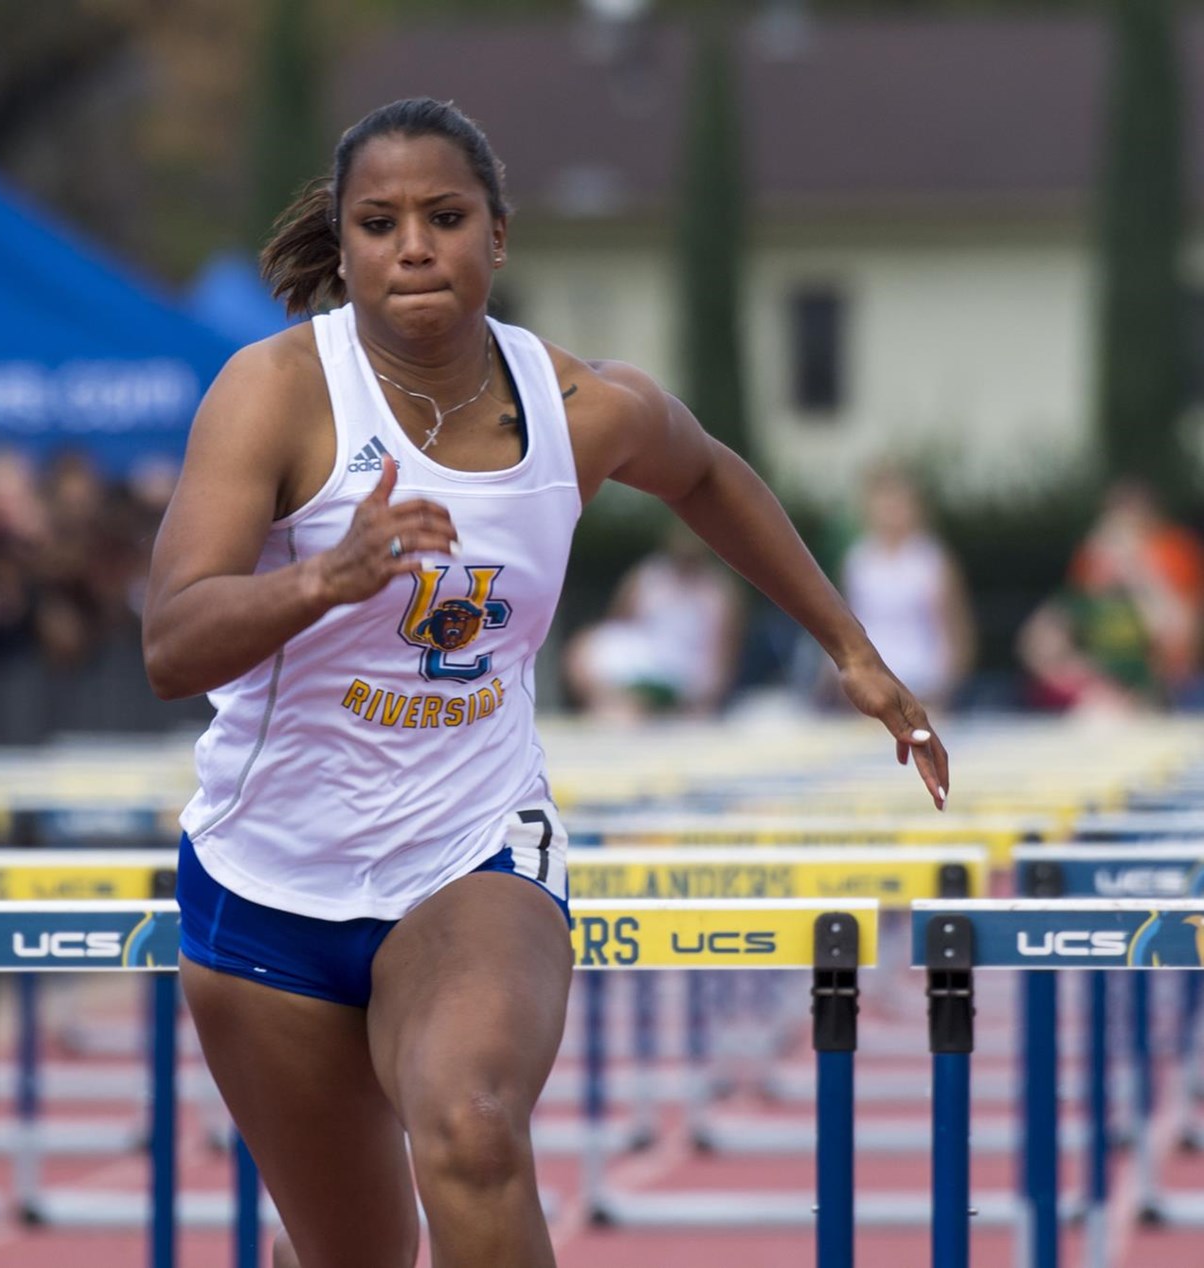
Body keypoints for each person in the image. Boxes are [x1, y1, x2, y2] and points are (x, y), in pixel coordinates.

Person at [142, 98, 949, 1268]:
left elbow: (709, 475)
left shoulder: (576, 408)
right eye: (378, 222)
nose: (412, 245)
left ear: (498, 237)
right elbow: (173, 643)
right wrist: (323, 578)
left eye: (443, 215)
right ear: (347, 244)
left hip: (469, 850)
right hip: (268, 877)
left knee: (473, 1136)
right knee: (354, 1255)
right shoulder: (274, 393)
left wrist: (853, 650)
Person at [1018, 478, 1204, 712]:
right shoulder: (1090, 579)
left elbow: (1178, 638)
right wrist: (1080, 675)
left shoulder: (1170, 556)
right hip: (1097, 693)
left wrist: (1138, 573)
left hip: (1158, 694)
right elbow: (1037, 643)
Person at [562, 520, 742, 719]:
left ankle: (633, 708)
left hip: (685, 670)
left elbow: (724, 652)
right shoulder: (647, 577)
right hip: (648, 656)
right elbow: (619, 624)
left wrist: (705, 700)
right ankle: (613, 705)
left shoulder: (718, 591)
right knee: (585, 647)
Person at [838, 464, 974, 711]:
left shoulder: (931, 560)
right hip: (873, 687)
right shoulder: (859, 560)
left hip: (925, 686)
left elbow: (957, 632)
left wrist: (944, 690)